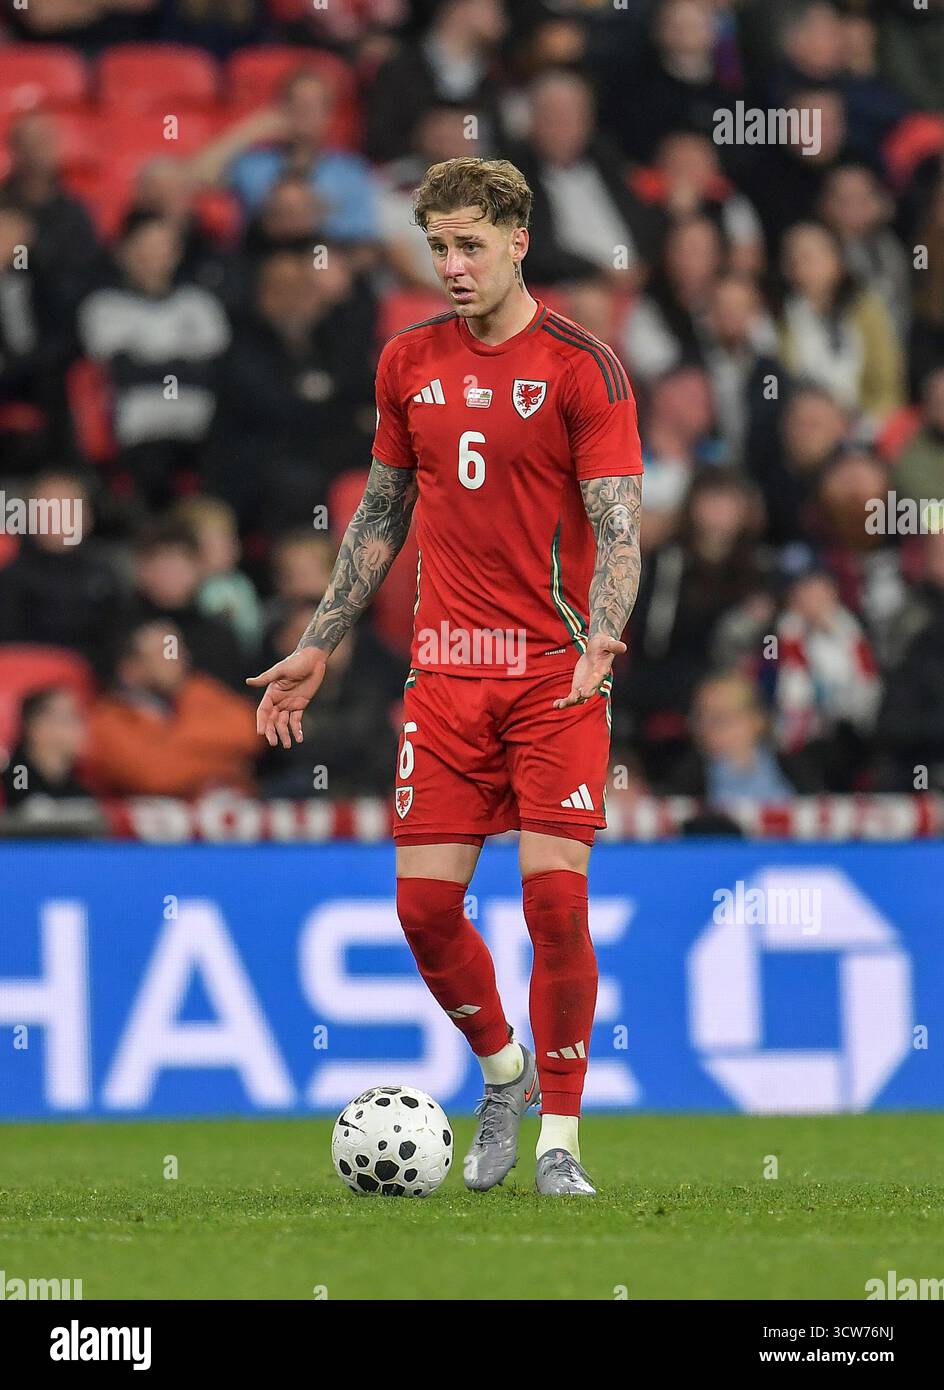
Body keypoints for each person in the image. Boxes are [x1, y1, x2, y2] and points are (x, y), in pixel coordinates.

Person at [247, 156, 644, 1198]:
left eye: (470, 244)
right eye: (437, 246)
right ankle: (502, 1070)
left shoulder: (580, 366)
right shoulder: (406, 361)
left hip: (554, 673)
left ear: (519, 241)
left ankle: (558, 1140)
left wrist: (603, 634)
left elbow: (617, 525)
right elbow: (380, 513)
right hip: (445, 675)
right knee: (424, 915)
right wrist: (320, 637)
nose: (452, 265)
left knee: (554, 903)